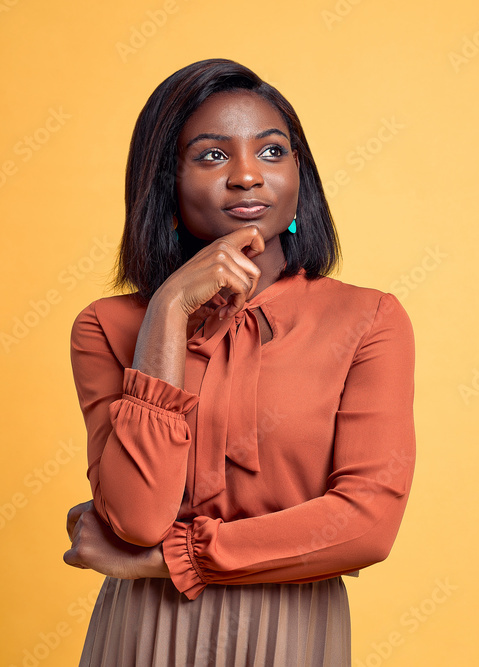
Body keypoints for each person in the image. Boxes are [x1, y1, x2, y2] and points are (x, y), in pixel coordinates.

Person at [62, 58, 416, 666]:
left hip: (292, 632)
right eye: (213, 156)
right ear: (165, 183)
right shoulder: (107, 326)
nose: (249, 177)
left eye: (273, 152)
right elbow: (138, 517)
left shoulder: (368, 321)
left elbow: (366, 524)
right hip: (143, 635)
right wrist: (169, 310)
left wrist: (167, 560)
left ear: (300, 176)